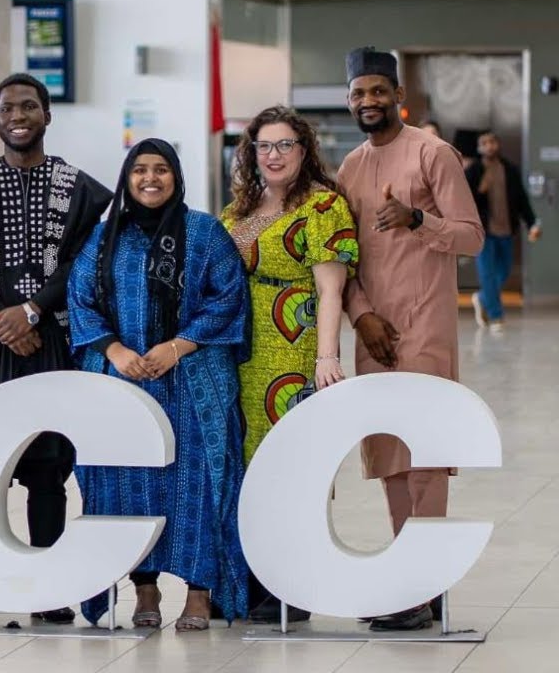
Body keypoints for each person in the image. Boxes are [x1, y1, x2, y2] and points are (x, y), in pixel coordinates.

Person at [0, 73, 111, 624]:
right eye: (8, 107)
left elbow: (84, 262)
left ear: (47, 115)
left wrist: (30, 311)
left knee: (47, 468)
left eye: (29, 105)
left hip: (50, 339)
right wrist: (1, 318)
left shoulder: (79, 188)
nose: (19, 115)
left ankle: (48, 589)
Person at [69, 138, 250, 631]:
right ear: (127, 179)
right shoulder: (104, 237)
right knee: (126, 487)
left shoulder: (205, 233)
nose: (151, 178)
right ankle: (143, 590)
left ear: (176, 177)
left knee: (200, 483)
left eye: (162, 169)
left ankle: (198, 593)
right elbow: (80, 298)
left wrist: (177, 346)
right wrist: (116, 351)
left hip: (192, 383)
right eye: (140, 170)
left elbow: (228, 298)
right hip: (123, 384)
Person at [339, 46, 484, 631]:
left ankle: (424, 585)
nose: (369, 101)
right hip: (373, 331)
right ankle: (411, 584)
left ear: (400, 96)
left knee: (424, 456)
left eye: (379, 91)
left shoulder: (433, 153)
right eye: (358, 93)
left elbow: (472, 237)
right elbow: (341, 259)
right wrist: (361, 317)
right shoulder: (348, 167)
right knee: (388, 457)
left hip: (424, 326)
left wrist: (418, 221)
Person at [221, 106, 358, 623]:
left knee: (288, 467)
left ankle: (291, 585)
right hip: (237, 350)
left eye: (285, 145)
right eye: (264, 146)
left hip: (291, 350)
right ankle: (250, 582)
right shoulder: (241, 207)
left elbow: (330, 290)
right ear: (251, 154)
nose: (274, 155)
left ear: (304, 152)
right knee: (244, 466)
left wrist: (327, 356)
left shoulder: (323, 206)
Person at [466, 130, 541, 332]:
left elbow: (522, 200)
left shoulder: (510, 169)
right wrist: (480, 191)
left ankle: (482, 298)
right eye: (484, 143)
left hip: (506, 229)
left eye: (492, 142)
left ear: (497, 144)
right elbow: (463, 201)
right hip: (483, 231)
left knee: (504, 270)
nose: (489, 146)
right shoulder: (473, 171)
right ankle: (496, 316)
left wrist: (532, 222)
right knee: (488, 273)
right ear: (479, 148)